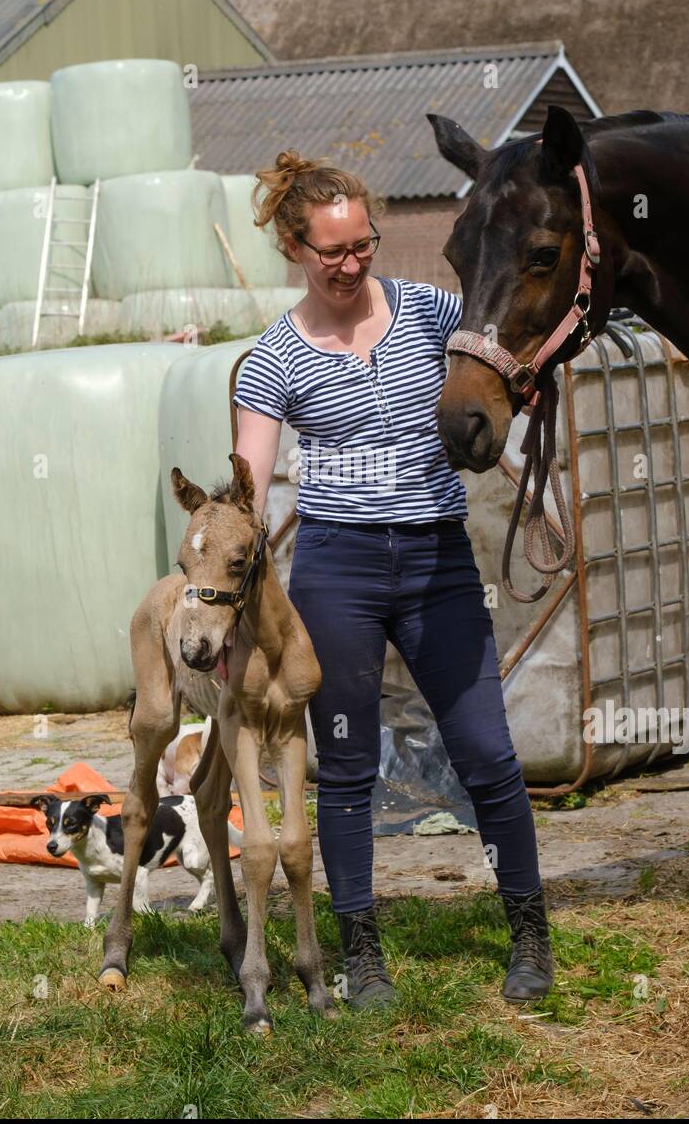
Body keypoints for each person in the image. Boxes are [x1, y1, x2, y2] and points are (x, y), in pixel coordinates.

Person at [232, 149, 554, 1011]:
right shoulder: (272, 359)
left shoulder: (429, 312)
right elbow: (248, 488)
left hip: (438, 560)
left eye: (362, 244)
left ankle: (530, 933)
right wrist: (229, 577)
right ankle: (362, 952)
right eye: (331, 251)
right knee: (344, 766)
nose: (350, 264)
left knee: (486, 751)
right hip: (337, 570)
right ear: (295, 249)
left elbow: (513, 342)